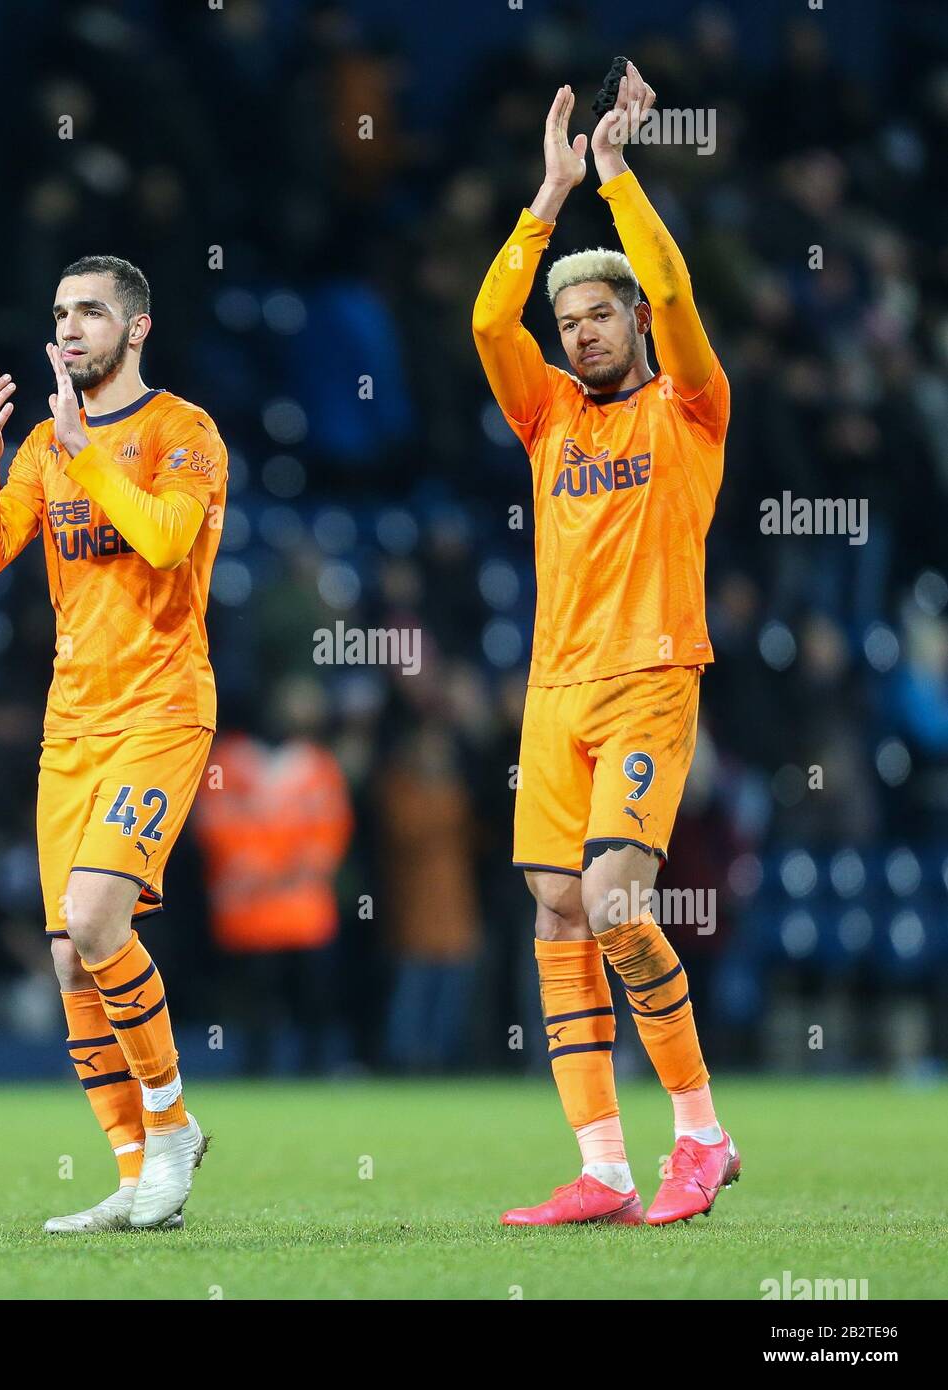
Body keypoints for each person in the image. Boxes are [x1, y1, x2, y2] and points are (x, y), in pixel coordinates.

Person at [472, 63, 738, 1226]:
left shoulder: (689, 407)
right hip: (553, 691)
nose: (579, 335)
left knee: (621, 900)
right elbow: (489, 318)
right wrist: (546, 198)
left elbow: (675, 291)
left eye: (598, 317)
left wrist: (619, 178)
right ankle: (604, 1166)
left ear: (634, 322)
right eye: (567, 323)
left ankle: (702, 1133)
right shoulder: (547, 416)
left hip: (649, 675)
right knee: (557, 910)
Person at [0, 255, 227, 1231]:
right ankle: (131, 1173)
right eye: (61, 310)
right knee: (71, 957)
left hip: (161, 709)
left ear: (136, 327)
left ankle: (172, 1126)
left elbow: (161, 540)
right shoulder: (40, 444)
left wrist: (90, 455)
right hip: (71, 723)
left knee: (98, 918)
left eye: (93, 312)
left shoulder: (182, 431)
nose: (71, 327)